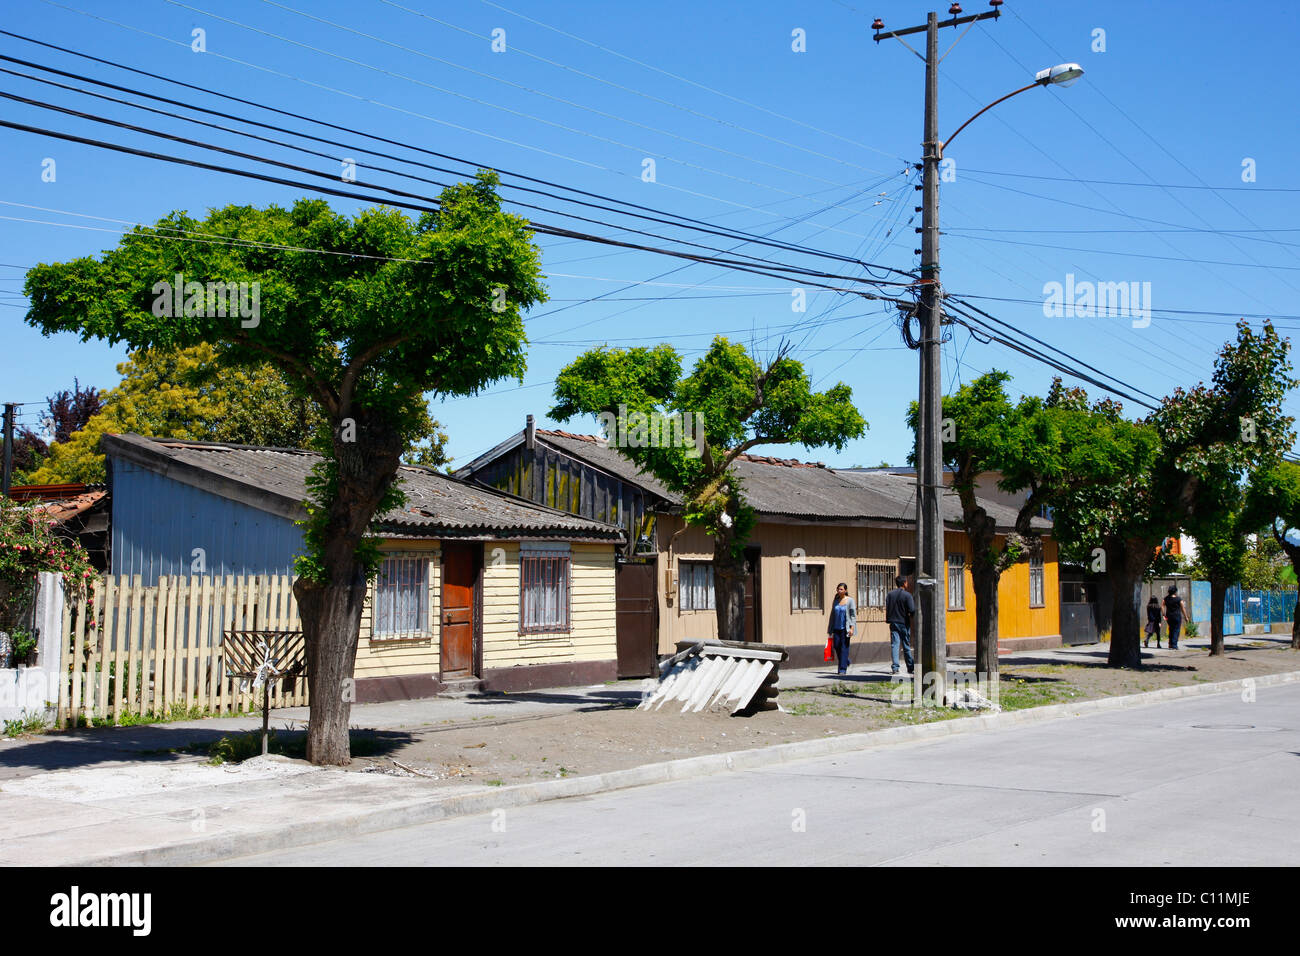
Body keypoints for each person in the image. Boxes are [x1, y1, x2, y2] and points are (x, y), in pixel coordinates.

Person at [885, 574, 916, 676]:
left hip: (893, 622)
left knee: (895, 645)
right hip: (904, 622)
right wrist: (911, 615)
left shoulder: (890, 595)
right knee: (906, 645)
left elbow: (888, 608)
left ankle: (895, 667)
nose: (907, 583)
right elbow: (912, 609)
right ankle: (910, 667)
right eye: (906, 582)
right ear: (904, 583)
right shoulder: (907, 595)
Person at [826, 582, 856, 676]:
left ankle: (842, 669)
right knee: (836, 646)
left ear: (845, 590)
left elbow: (853, 615)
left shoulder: (850, 600)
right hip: (836, 627)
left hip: (845, 629)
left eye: (841, 589)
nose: (839, 591)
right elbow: (832, 615)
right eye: (838, 589)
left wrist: (852, 628)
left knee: (844, 648)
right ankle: (845, 660)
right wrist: (830, 629)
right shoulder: (836, 601)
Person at [1163, 585, 1186, 650]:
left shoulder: (1166, 598)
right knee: (1176, 630)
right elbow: (1183, 608)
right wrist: (1186, 617)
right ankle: (1174, 645)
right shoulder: (1178, 599)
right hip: (1177, 616)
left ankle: (1170, 644)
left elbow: (1162, 606)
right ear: (1175, 591)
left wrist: (1163, 614)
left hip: (1168, 616)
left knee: (1171, 629)